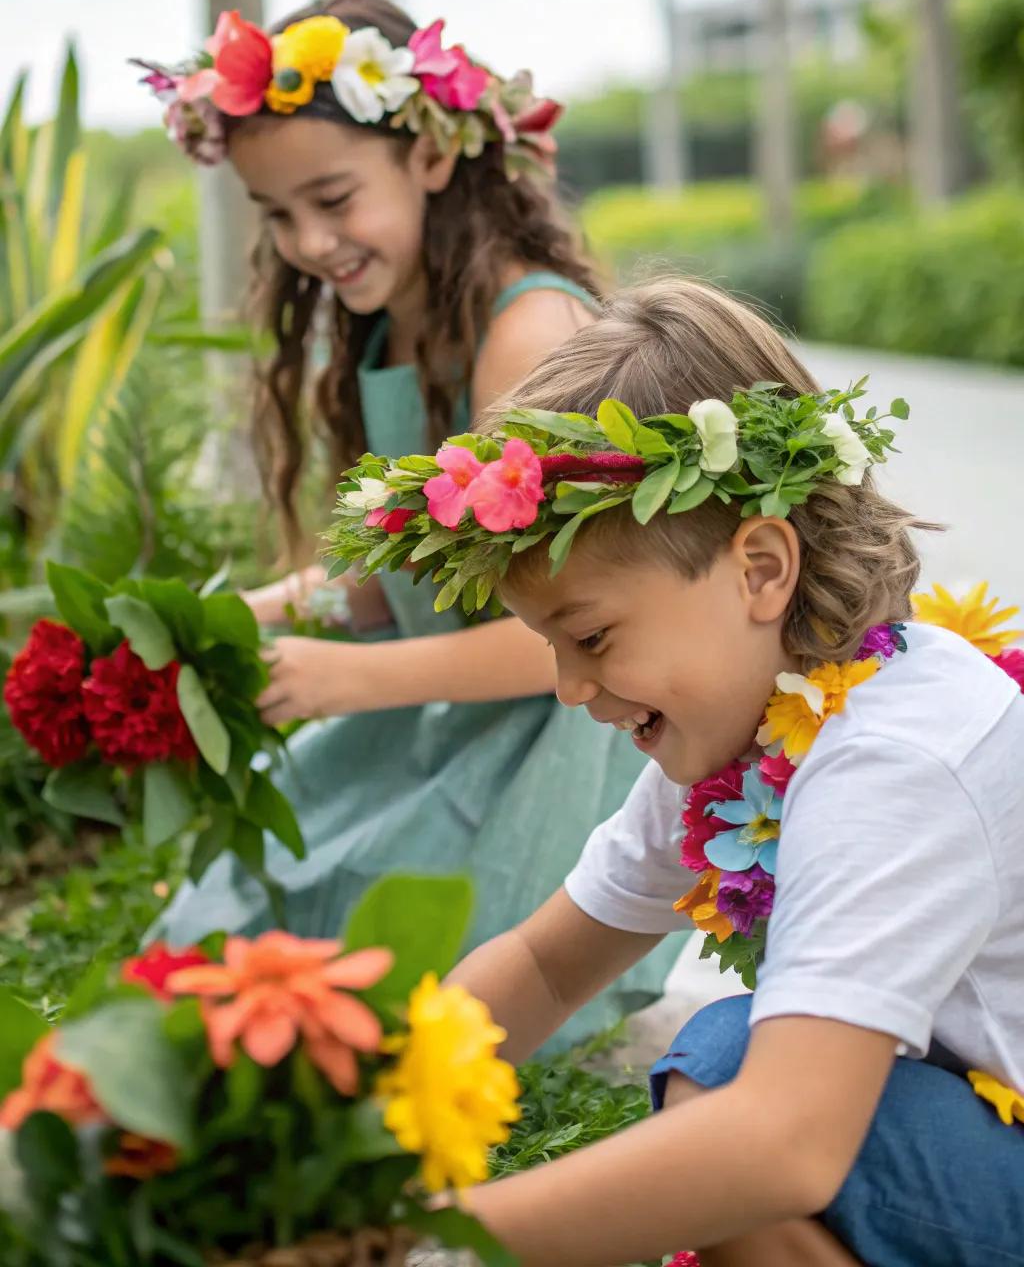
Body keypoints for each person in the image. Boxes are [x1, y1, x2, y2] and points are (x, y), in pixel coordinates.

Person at [329, 278, 1024, 1267]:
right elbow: (545, 963)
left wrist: (420, 1244)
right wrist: (356, 1136)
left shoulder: (894, 763)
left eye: (592, 636)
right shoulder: (752, 732)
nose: (569, 687)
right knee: (730, 1069)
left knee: (732, 1076)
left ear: (758, 570)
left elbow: (783, 1144)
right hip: (959, 1134)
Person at [135, 0, 678, 1042]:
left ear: (429, 156)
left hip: (549, 736)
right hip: (440, 717)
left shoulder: (528, 335)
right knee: (230, 932)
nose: (309, 243)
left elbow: (574, 633)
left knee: (382, 997)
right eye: (278, 215)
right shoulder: (386, 336)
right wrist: (257, 612)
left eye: (334, 198)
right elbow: (416, 576)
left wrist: (350, 681)